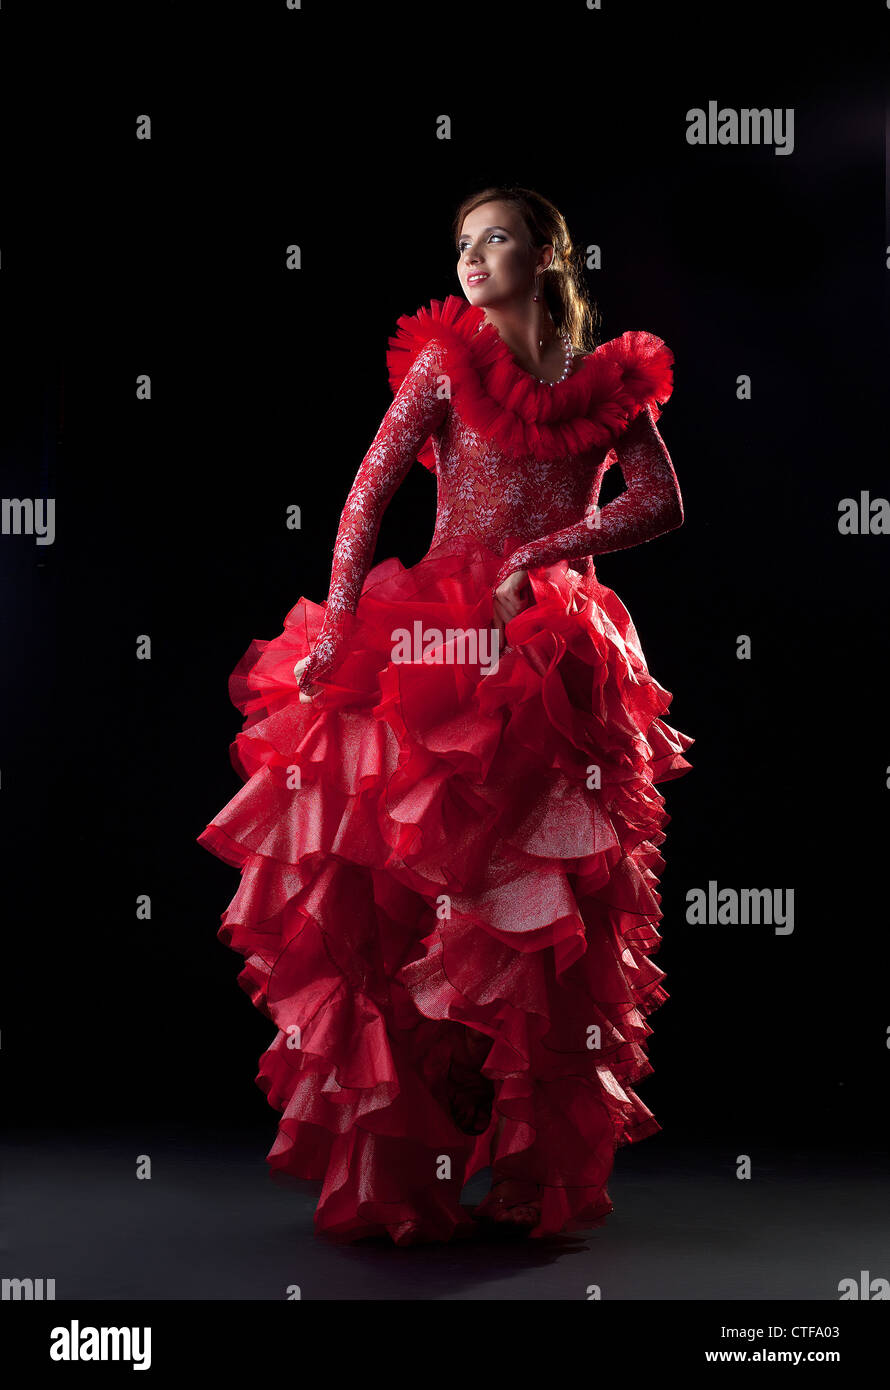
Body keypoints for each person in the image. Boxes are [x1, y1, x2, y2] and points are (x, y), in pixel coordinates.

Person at [197, 184, 693, 1246]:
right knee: (405, 885)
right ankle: (403, 1156)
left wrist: (542, 552)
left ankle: (522, 1165)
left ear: (548, 252)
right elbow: (367, 492)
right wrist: (336, 626)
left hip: (554, 644)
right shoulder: (444, 361)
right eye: (461, 242)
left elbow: (659, 502)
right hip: (434, 634)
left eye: (496, 237)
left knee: (539, 908)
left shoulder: (610, 385)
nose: (472, 257)